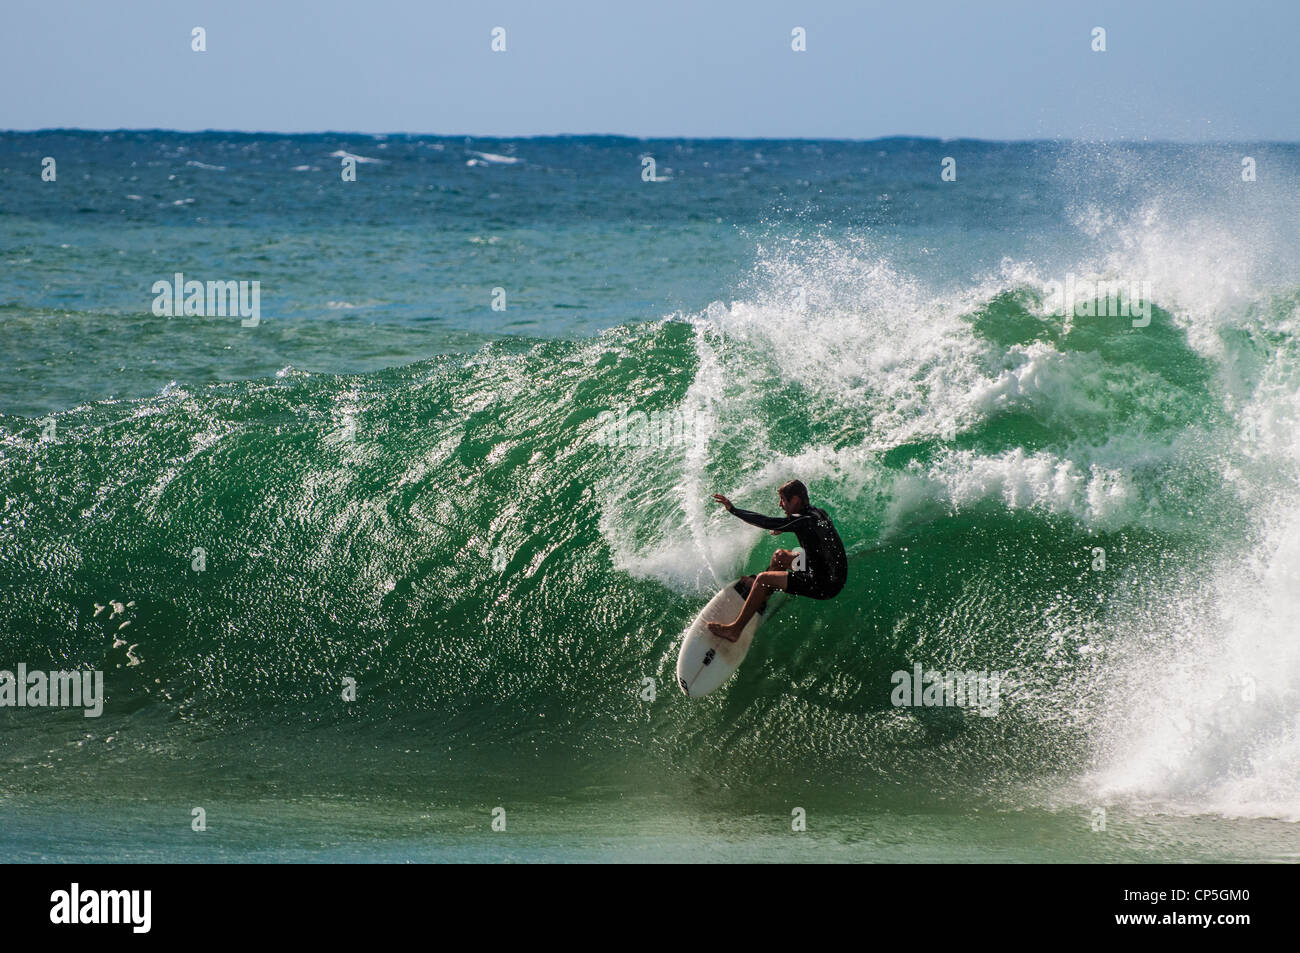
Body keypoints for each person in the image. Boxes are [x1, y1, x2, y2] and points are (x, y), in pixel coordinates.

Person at [707, 479, 847, 642]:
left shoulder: (803, 521)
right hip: (828, 570)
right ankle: (762, 595)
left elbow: (765, 522)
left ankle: (734, 631)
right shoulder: (818, 513)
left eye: (783, 500)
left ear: (795, 500)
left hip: (824, 583)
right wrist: (786, 526)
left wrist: (733, 509)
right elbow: (814, 533)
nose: (780, 505)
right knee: (780, 557)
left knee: (762, 579)